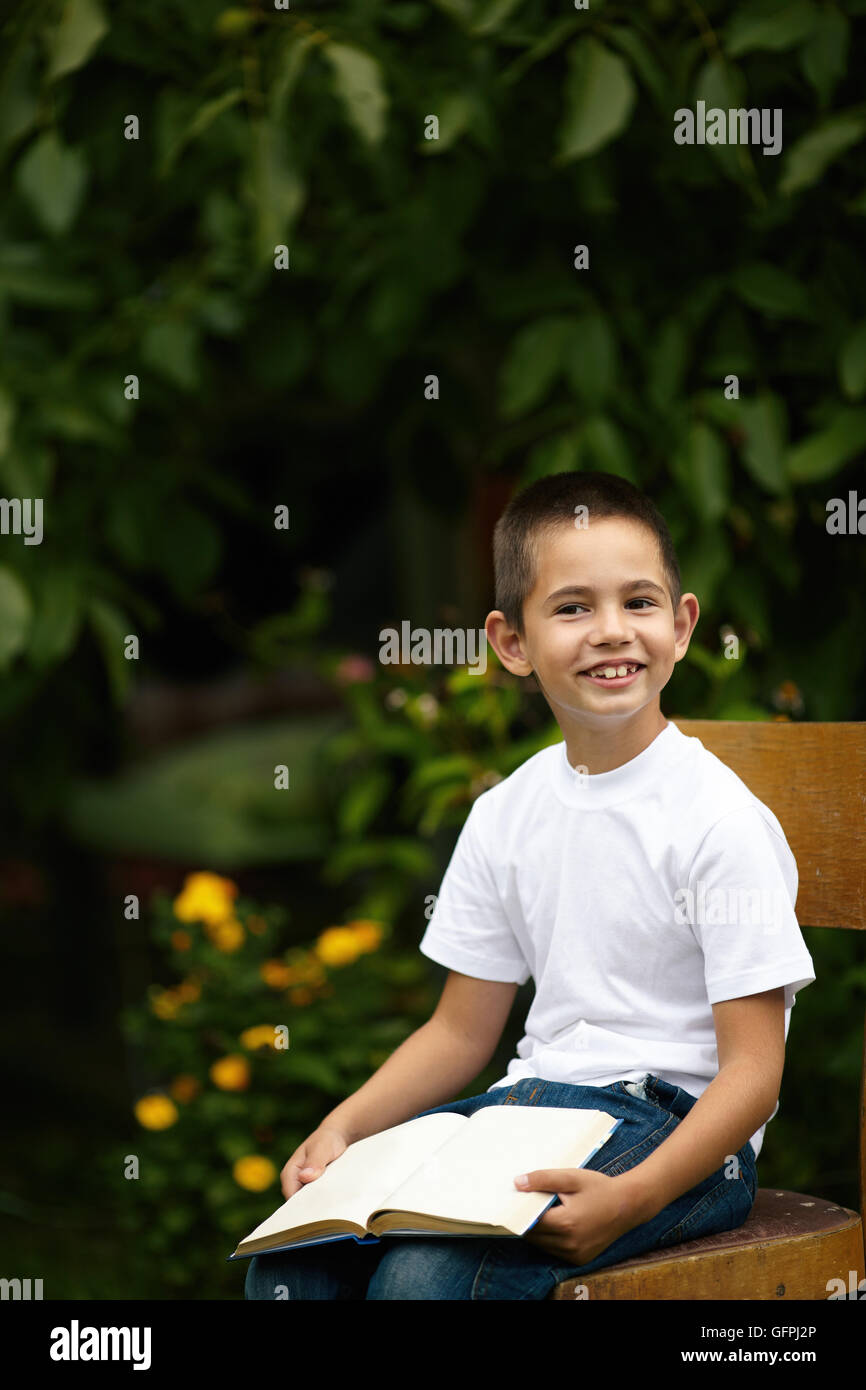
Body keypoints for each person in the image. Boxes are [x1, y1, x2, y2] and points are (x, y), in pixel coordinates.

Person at [245, 470, 816, 1301]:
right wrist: (346, 1126)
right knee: (293, 1267)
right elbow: (457, 1034)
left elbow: (754, 1075)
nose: (612, 632)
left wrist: (633, 1198)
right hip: (524, 1110)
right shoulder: (507, 812)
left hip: (680, 1134)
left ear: (684, 625)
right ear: (512, 643)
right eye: (573, 607)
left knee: (423, 1281)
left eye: (640, 603)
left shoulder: (717, 820)